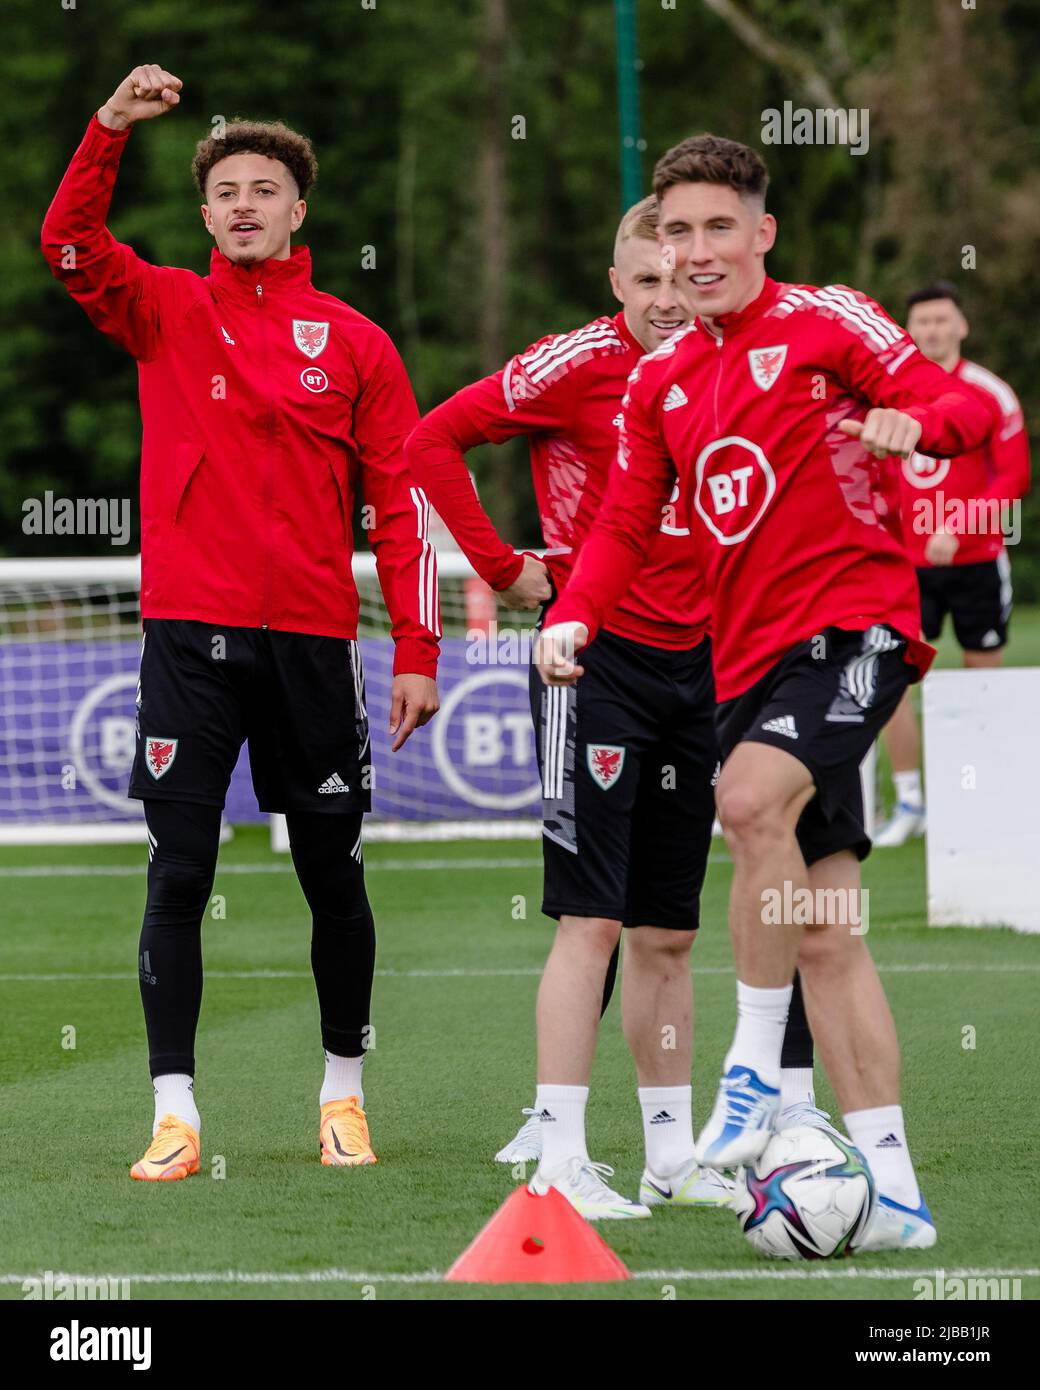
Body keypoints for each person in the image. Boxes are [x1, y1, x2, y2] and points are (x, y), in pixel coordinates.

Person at [537, 135, 1000, 1249]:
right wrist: (572, 613)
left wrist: (912, 423)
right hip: (740, 666)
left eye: (715, 228)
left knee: (742, 804)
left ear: (760, 232)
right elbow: (620, 521)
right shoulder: (657, 380)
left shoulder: (828, 318)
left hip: (851, 631)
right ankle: (893, 1197)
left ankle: (751, 1074)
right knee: (828, 929)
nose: (695, 253)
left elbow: (958, 409)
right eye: (675, 233)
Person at [41, 66, 440, 1179]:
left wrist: (415, 649)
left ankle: (342, 1099)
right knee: (178, 871)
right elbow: (67, 244)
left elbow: (396, 507)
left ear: (299, 210)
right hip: (187, 637)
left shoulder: (354, 341)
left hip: (313, 643)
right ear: (206, 211)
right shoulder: (164, 305)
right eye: (226, 191)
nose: (246, 205)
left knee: (332, 875)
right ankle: (175, 1112)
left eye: (266, 188)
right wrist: (109, 128)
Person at [407, 196, 819, 1220]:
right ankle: (556, 1155)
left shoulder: (734, 363)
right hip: (587, 659)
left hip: (705, 661)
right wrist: (505, 568)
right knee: (587, 919)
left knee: (667, 932)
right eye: (646, 282)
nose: (669, 300)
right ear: (615, 284)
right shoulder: (571, 365)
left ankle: (668, 1156)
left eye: (685, 278)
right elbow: (429, 439)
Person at [875, 282, 1030, 846]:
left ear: (961, 326)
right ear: (908, 330)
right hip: (904, 566)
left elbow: (1013, 479)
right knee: (896, 677)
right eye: (922, 322)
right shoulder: (889, 393)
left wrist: (959, 526)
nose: (932, 331)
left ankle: (977, 795)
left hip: (976, 563)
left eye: (942, 320)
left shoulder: (990, 393)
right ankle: (911, 800)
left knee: (979, 682)